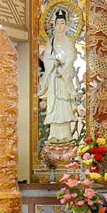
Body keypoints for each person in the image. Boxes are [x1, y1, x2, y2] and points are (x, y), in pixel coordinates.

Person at [38, 9, 79, 144]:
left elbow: (72, 56)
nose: (60, 26)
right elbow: (47, 57)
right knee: (53, 106)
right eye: (58, 23)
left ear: (66, 25)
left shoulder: (68, 41)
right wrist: (53, 64)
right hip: (53, 77)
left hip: (63, 77)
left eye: (62, 23)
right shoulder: (51, 42)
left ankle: (66, 134)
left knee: (64, 106)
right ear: (54, 25)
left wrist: (64, 69)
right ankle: (53, 135)